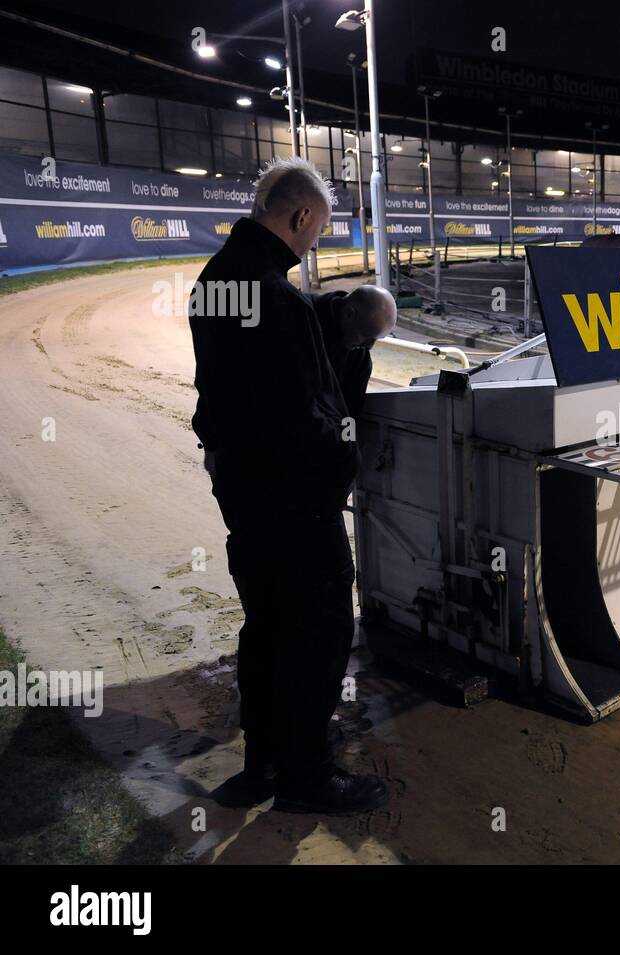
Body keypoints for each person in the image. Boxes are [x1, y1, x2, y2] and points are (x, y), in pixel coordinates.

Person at [191, 156, 388, 815]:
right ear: (301, 216)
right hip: (295, 504)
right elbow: (302, 416)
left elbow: (227, 391)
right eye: (317, 232)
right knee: (321, 631)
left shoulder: (214, 280)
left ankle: (264, 764)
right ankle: (307, 776)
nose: (314, 244)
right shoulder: (274, 296)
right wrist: (345, 461)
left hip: (245, 500)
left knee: (268, 628)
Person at [309, 284, 397, 422]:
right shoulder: (302, 319)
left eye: (376, 339)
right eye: (365, 334)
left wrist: (347, 441)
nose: (369, 347)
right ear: (349, 313)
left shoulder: (360, 359)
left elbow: (350, 415)